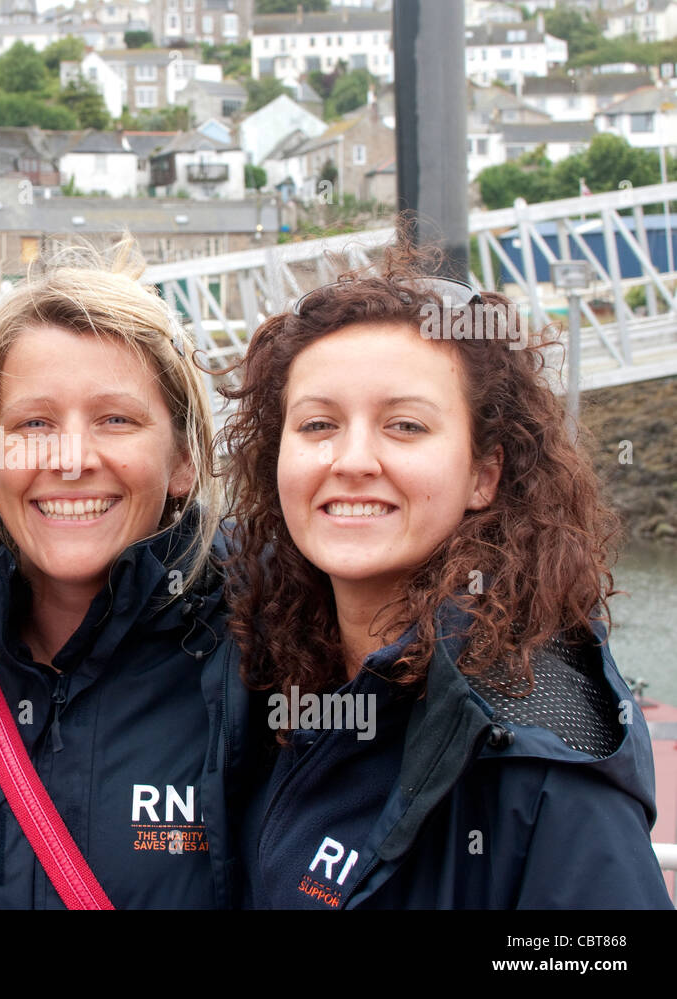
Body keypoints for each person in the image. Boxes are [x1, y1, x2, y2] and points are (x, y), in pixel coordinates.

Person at [220, 240, 673, 908]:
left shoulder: (543, 759)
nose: (352, 458)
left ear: (484, 473)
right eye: (318, 423)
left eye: (404, 425)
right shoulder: (263, 661)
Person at [0, 243, 249, 908]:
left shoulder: (264, 660)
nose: (72, 457)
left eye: (116, 418)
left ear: (183, 461)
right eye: (35, 422)